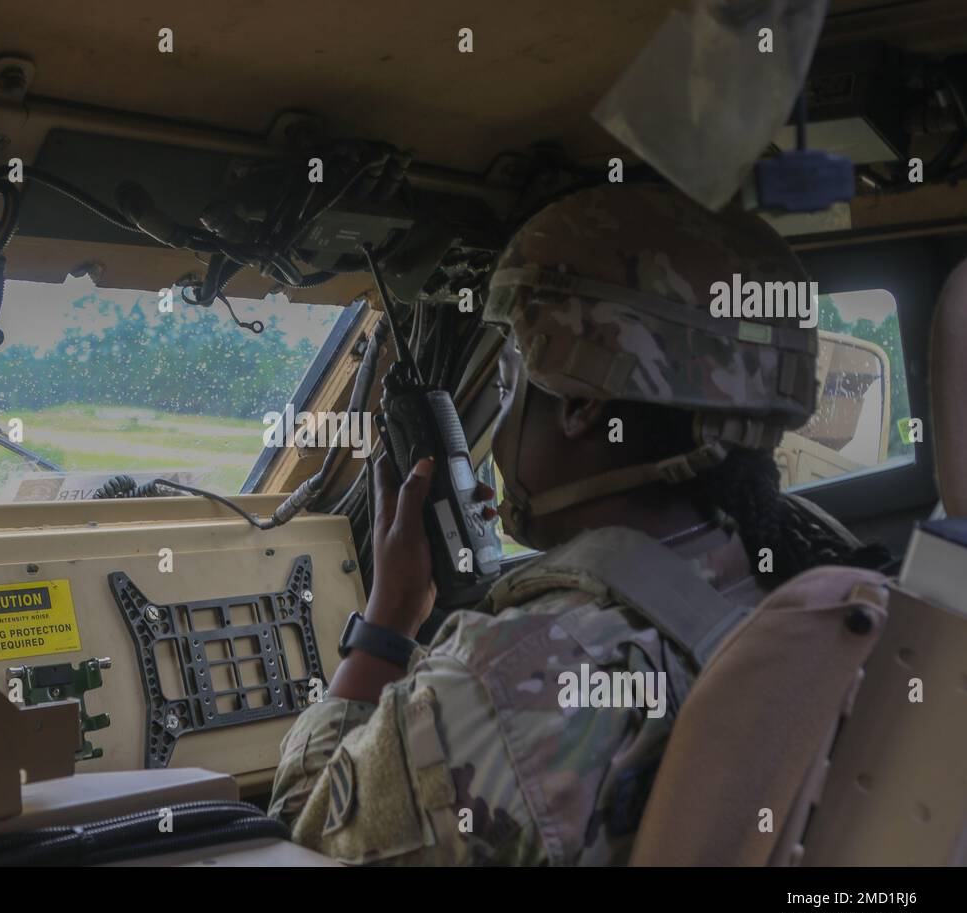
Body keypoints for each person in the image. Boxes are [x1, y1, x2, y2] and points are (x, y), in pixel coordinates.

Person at [267, 183, 888, 865]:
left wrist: (386, 627)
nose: (499, 429)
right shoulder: (824, 570)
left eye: (508, 387)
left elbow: (305, 842)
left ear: (581, 408)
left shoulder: (509, 679)